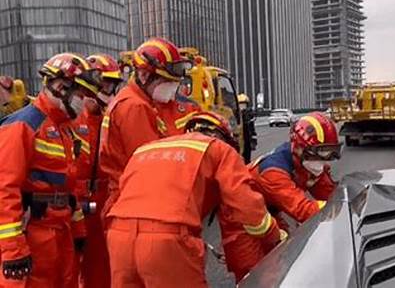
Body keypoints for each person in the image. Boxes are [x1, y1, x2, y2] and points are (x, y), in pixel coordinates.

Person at [106, 111, 284, 288]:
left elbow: (120, 194)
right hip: (167, 241)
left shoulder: (147, 148)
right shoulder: (218, 149)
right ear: (221, 137)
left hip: (118, 238)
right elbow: (249, 209)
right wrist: (275, 235)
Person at [0, 53, 103, 287]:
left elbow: (69, 188)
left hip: (61, 232)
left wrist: (78, 230)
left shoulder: (66, 130)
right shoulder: (23, 126)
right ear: (59, 87)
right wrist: (13, 249)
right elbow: (4, 189)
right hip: (34, 234)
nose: (84, 100)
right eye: (80, 93)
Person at [220, 112, 340, 281]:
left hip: (267, 209)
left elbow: (331, 194)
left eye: (330, 152)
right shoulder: (274, 172)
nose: (326, 161)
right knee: (253, 272)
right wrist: (340, 209)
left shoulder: (307, 159)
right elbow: (304, 210)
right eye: (321, 153)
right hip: (239, 216)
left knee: (281, 257)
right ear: (299, 148)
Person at [99, 37, 190, 226]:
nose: (173, 88)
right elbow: (152, 166)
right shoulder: (134, 107)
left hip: (131, 202)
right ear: (144, 76)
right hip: (136, 207)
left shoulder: (139, 102)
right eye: (166, 81)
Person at [71, 53, 123, 288]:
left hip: (105, 198)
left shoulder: (114, 118)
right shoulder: (69, 119)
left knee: (103, 265)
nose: (105, 91)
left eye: (110, 85)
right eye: (103, 84)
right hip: (75, 201)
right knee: (70, 267)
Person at [238, 93, 257, 163]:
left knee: (247, 158)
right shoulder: (235, 114)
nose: (242, 107)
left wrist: (253, 142)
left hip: (247, 140)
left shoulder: (249, 115)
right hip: (239, 139)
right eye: (240, 105)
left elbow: (252, 130)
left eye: (243, 105)